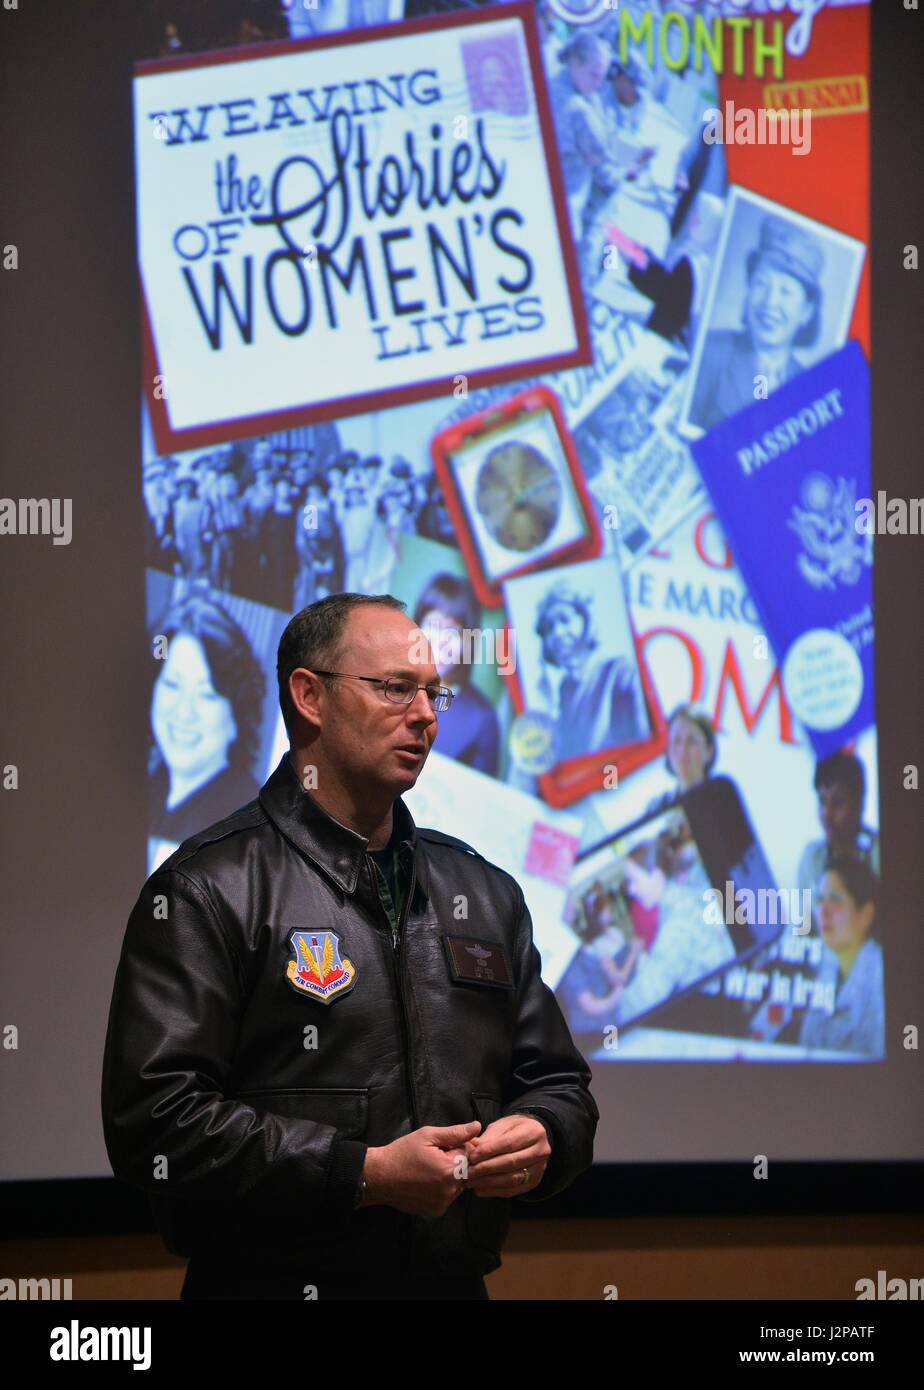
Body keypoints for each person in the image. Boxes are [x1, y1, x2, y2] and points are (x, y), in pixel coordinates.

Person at [104, 592, 598, 1300]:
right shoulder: (205, 889)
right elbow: (154, 1124)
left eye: (434, 693)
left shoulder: (485, 893)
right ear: (309, 696)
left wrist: (544, 1134)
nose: (426, 715)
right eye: (397, 688)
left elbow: (561, 1088)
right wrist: (361, 1175)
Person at [147, 595, 265, 853]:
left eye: (207, 693)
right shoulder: (151, 786)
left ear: (237, 714)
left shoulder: (248, 823)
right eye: (172, 684)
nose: (184, 712)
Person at [688, 214, 825, 432]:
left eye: (785, 292)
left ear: (806, 312)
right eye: (761, 284)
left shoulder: (811, 389)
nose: (770, 303)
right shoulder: (710, 352)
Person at [535, 583, 649, 763]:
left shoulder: (620, 672)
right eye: (548, 628)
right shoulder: (562, 691)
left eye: (564, 620)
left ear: (585, 620)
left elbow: (642, 748)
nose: (557, 632)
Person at [413, 573, 501, 776]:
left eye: (453, 632)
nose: (442, 640)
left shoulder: (482, 719)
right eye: (434, 626)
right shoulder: (386, 683)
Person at [798, 858, 884, 1058]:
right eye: (820, 900)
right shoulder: (826, 966)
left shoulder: (882, 977)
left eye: (835, 900)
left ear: (866, 914)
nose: (823, 912)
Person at [797, 750, 880, 899]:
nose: (827, 814)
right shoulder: (813, 859)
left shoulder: (879, 853)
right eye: (822, 801)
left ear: (860, 805)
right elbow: (806, 920)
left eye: (838, 802)